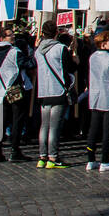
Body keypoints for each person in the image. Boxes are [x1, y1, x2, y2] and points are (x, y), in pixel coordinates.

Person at [35, 20, 76, 169]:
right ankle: (53, 157)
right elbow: (68, 69)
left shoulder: (38, 50)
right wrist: (75, 60)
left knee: (44, 126)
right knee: (54, 127)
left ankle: (42, 157)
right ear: (56, 33)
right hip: (58, 90)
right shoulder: (60, 49)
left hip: (43, 91)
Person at [0, 24, 28, 162]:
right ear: (2, 38)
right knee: (17, 120)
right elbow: (28, 64)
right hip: (14, 89)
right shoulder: (14, 52)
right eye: (11, 35)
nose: (14, 37)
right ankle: (14, 150)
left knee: (1, 122)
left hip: (0, 90)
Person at [85, 28, 109, 171]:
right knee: (108, 130)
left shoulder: (93, 57)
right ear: (103, 44)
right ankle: (105, 160)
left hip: (95, 95)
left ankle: (90, 159)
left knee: (94, 129)